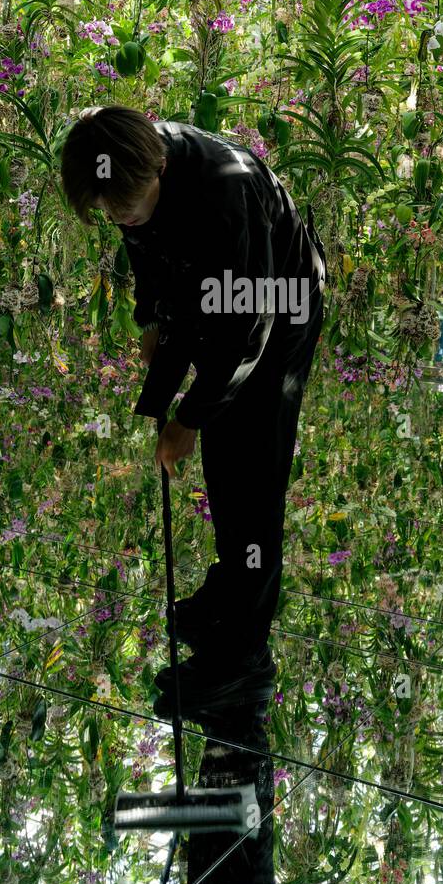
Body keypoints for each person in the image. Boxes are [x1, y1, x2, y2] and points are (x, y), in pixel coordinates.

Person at [60, 105, 327, 712]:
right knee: (224, 470)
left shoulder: (224, 194)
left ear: (158, 163)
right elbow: (147, 252)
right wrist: (154, 317)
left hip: (278, 313)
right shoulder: (128, 176)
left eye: (124, 204)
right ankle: (230, 586)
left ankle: (243, 657)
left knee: (250, 475)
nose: (118, 218)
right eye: (107, 210)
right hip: (216, 297)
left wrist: (188, 418)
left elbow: (247, 332)